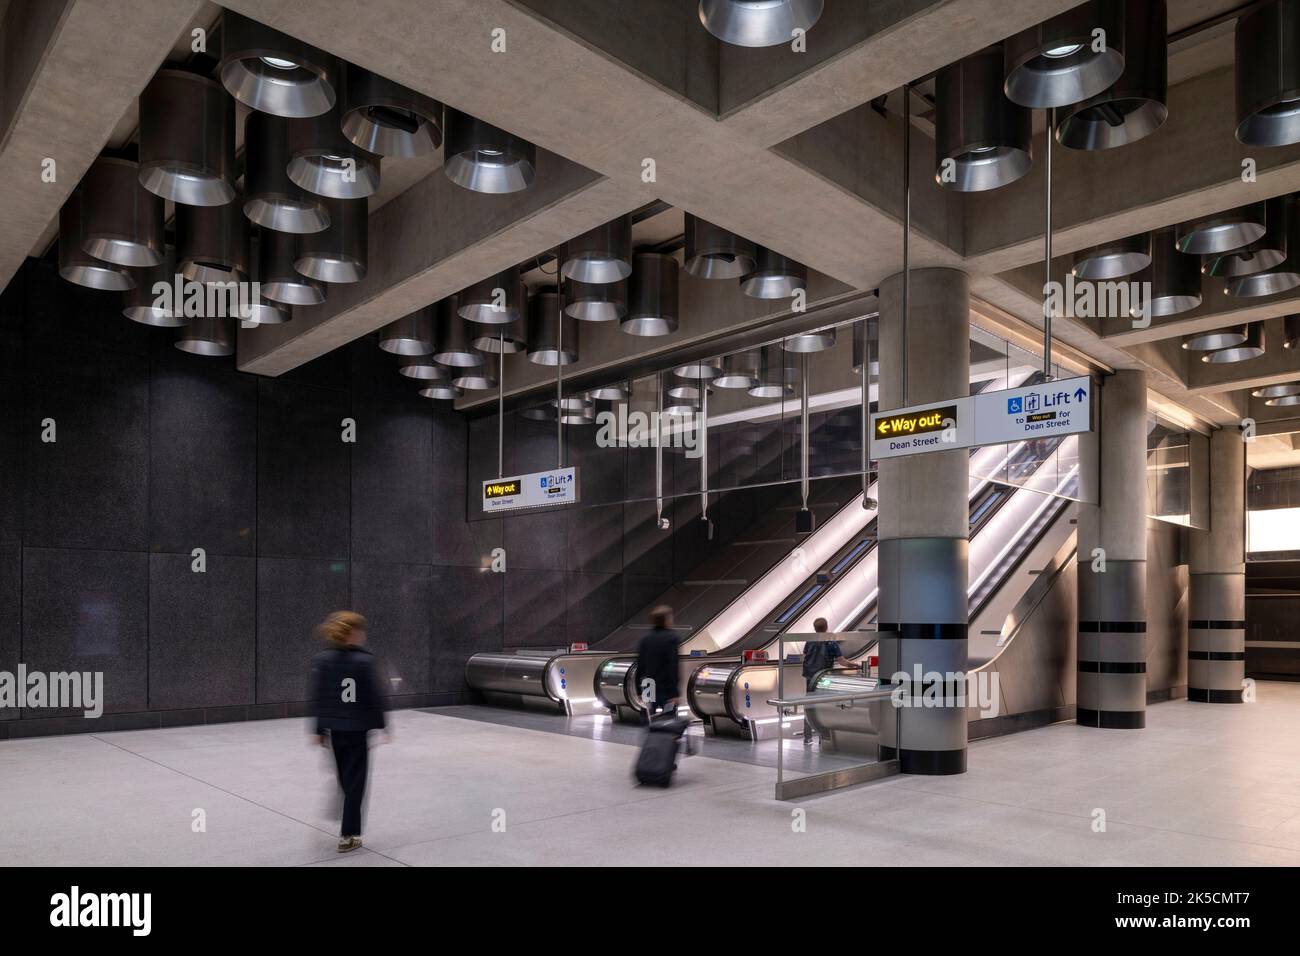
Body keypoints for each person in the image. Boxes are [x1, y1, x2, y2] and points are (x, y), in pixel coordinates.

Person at [308, 611, 388, 853]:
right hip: (357, 730)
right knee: (356, 783)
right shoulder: (365, 662)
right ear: (353, 633)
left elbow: (320, 698)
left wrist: (319, 728)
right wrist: (382, 725)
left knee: (345, 778)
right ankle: (349, 834)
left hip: (336, 731)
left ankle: (344, 811)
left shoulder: (323, 660)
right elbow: (375, 697)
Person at [801, 617, 854, 746]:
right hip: (825, 679)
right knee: (824, 706)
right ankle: (823, 737)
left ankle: (807, 738)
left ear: (815, 628)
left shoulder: (809, 641)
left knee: (810, 706)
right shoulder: (831, 643)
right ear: (826, 627)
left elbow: (804, 656)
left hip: (810, 679)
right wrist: (855, 665)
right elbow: (842, 661)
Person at [637, 605, 680, 720]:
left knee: (647, 719)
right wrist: (674, 693)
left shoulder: (645, 639)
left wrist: (639, 691)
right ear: (666, 619)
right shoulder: (672, 638)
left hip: (648, 686)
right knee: (669, 720)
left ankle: (648, 737)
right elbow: (672, 666)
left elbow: (640, 665)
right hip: (666, 688)